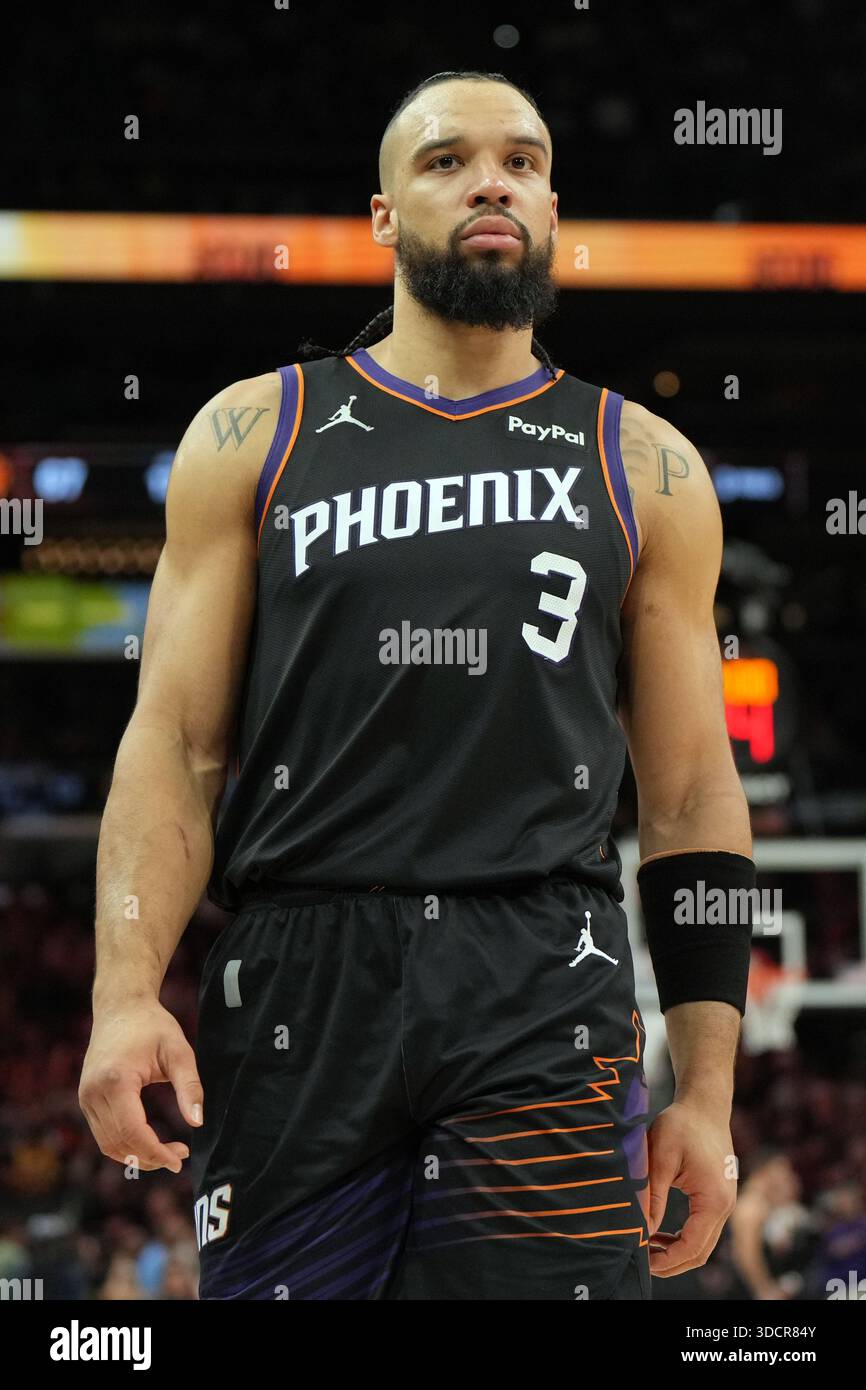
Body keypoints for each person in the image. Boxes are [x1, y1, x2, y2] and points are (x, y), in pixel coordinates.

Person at [79, 69, 754, 1300]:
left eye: (522, 160)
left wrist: (703, 1094)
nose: (489, 179)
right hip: (300, 968)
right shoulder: (256, 430)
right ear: (383, 217)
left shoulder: (643, 460)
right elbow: (174, 746)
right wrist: (125, 993)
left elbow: (694, 800)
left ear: (552, 208)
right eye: (445, 161)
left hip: (541, 968)